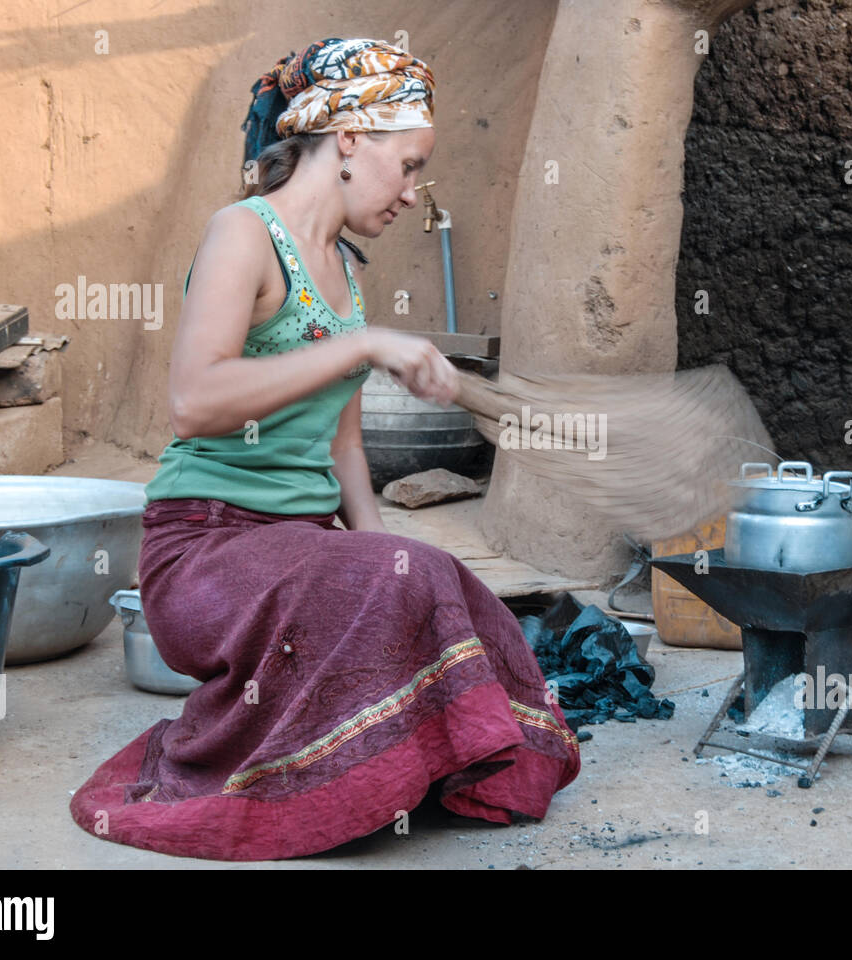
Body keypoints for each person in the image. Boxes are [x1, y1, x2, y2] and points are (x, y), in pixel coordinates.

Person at [69, 38, 580, 861]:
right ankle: (310, 781)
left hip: (298, 549)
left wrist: (380, 540)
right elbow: (195, 401)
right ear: (349, 138)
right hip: (203, 550)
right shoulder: (243, 233)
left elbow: (342, 438)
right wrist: (362, 346)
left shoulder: (344, 268)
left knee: (432, 574)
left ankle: (424, 767)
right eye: (409, 166)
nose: (414, 193)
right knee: (388, 578)